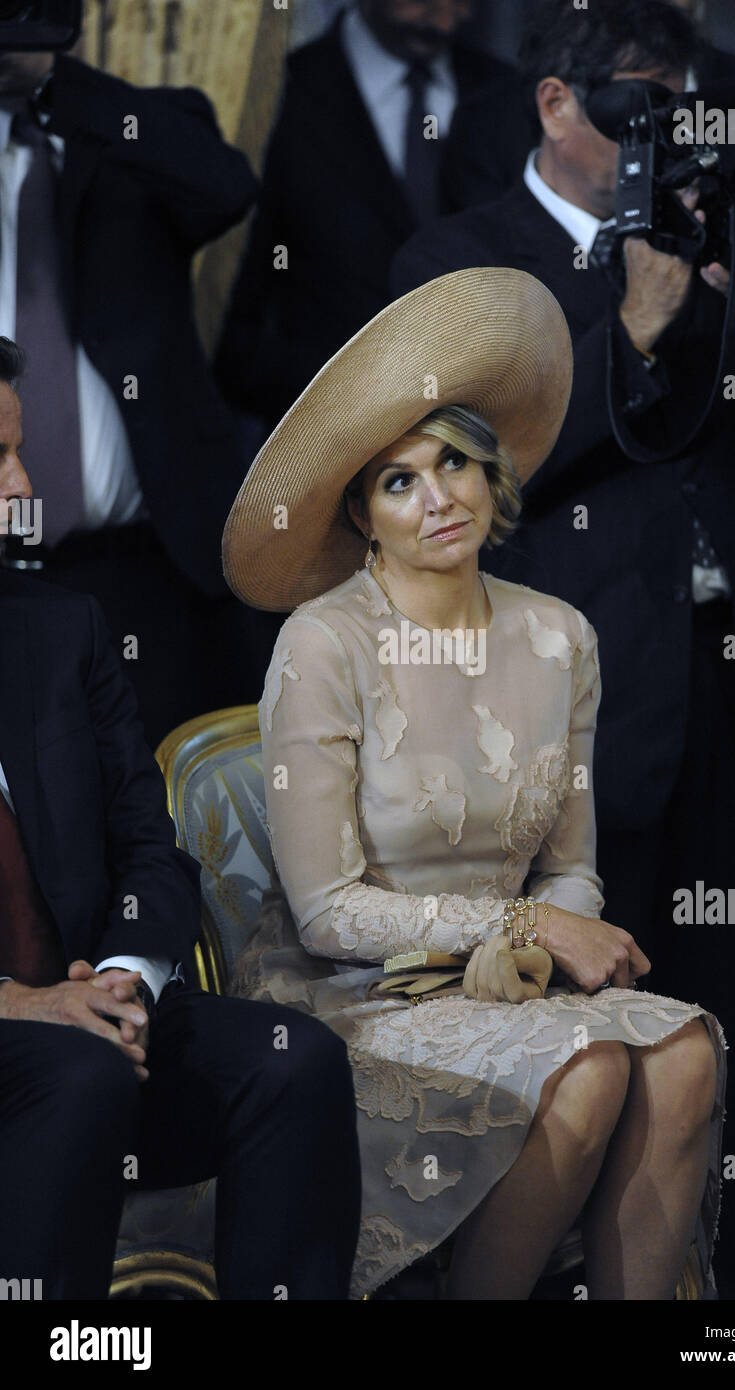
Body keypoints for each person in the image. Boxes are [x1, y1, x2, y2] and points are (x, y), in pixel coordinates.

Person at [390, 0, 735, 1299]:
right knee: (589, 1066)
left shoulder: (726, 229)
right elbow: (456, 488)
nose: (670, 144)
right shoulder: (463, 261)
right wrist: (634, 337)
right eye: (639, 117)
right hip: (571, 728)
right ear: (556, 107)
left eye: (681, 107)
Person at [224, 267, 727, 1301]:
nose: (437, 497)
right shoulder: (321, 644)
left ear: (490, 473)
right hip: (351, 997)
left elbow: (573, 867)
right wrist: (527, 932)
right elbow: (323, 911)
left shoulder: (557, 634)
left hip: (509, 990)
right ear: (361, 513)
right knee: (586, 1074)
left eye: (453, 461)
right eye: (398, 480)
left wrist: (540, 942)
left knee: (681, 1053)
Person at [0, 336, 361, 1300]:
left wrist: (118, 983)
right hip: (31, 1040)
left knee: (294, 1066)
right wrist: (26, 1007)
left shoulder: (59, 628)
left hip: (95, 1019)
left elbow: (150, 854)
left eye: (19, 450)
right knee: (80, 1079)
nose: (23, 483)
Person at [0, 45, 272, 747]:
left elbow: (225, 187)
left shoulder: (125, 130)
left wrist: (53, 81)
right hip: (4, 576)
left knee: (177, 818)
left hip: (147, 566)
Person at [214, 0, 531, 436]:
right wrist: (351, 396)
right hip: (327, 451)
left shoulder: (508, 93)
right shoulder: (276, 97)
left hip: (490, 435)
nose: (449, 17)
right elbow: (229, 326)